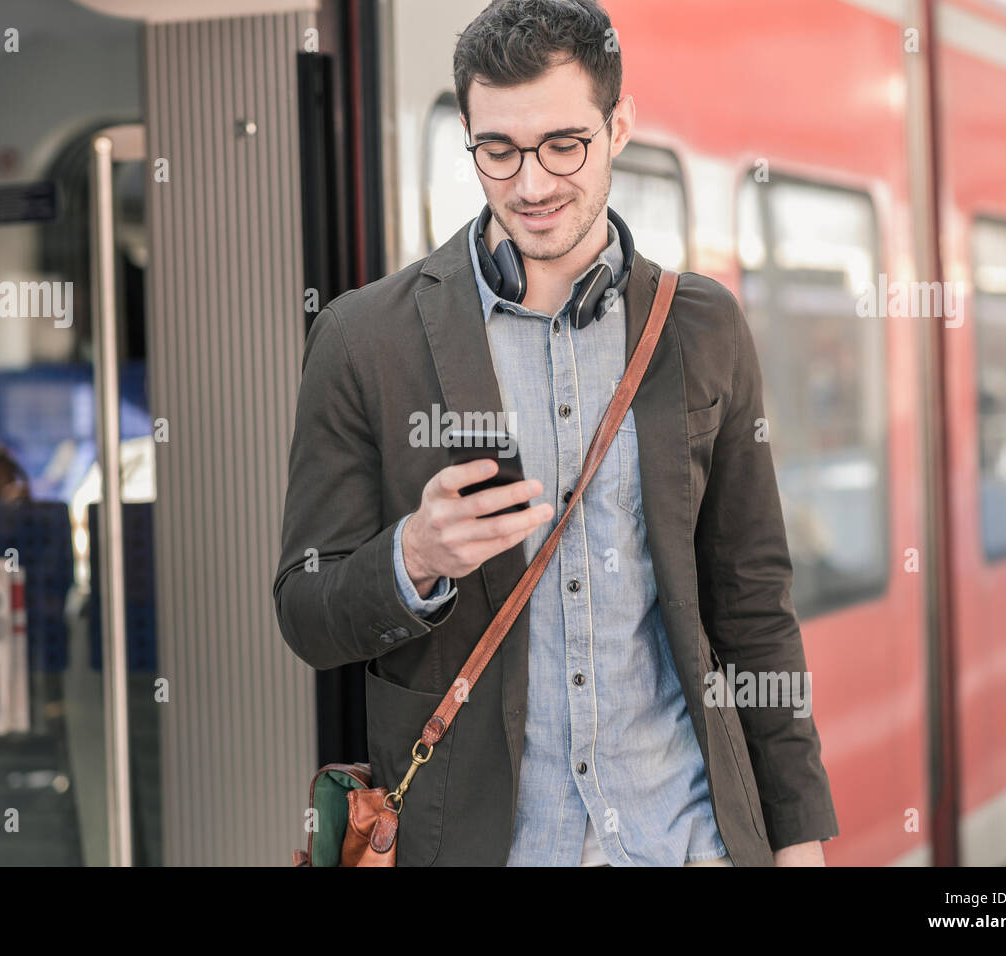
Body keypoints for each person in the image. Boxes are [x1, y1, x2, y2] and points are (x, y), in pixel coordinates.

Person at [274, 0, 838, 866]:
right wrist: (413, 557)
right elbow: (307, 614)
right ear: (467, 133)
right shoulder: (362, 339)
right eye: (497, 149)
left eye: (563, 145)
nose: (530, 184)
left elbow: (753, 606)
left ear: (619, 127)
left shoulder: (702, 326)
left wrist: (799, 841)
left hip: (687, 837)